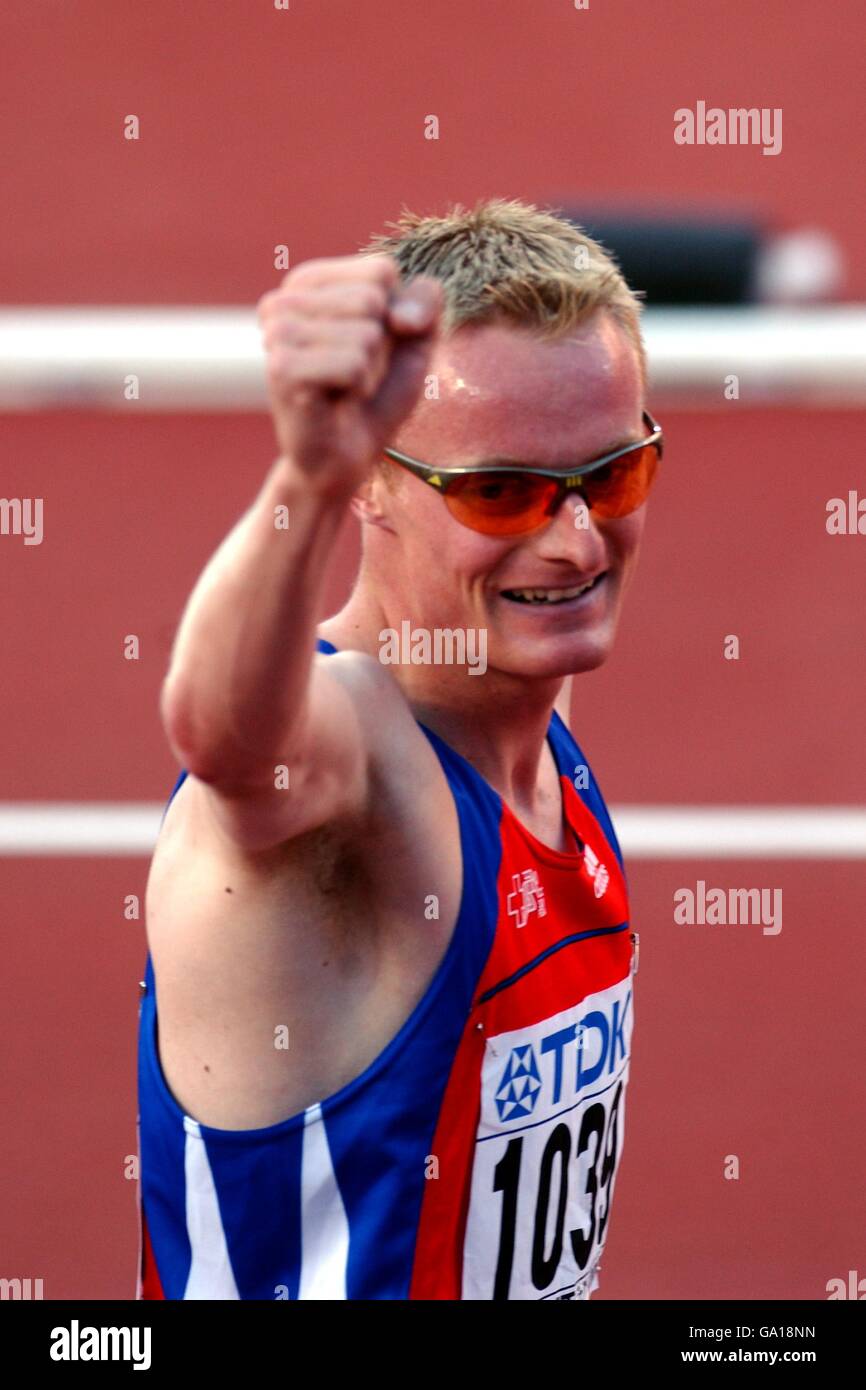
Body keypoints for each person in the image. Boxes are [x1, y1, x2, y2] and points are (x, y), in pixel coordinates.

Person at [136, 198, 663, 1301]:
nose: (571, 542)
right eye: (500, 492)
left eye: (610, 476)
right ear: (374, 483)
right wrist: (304, 483)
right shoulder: (360, 764)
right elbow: (229, 744)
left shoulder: (529, 716)